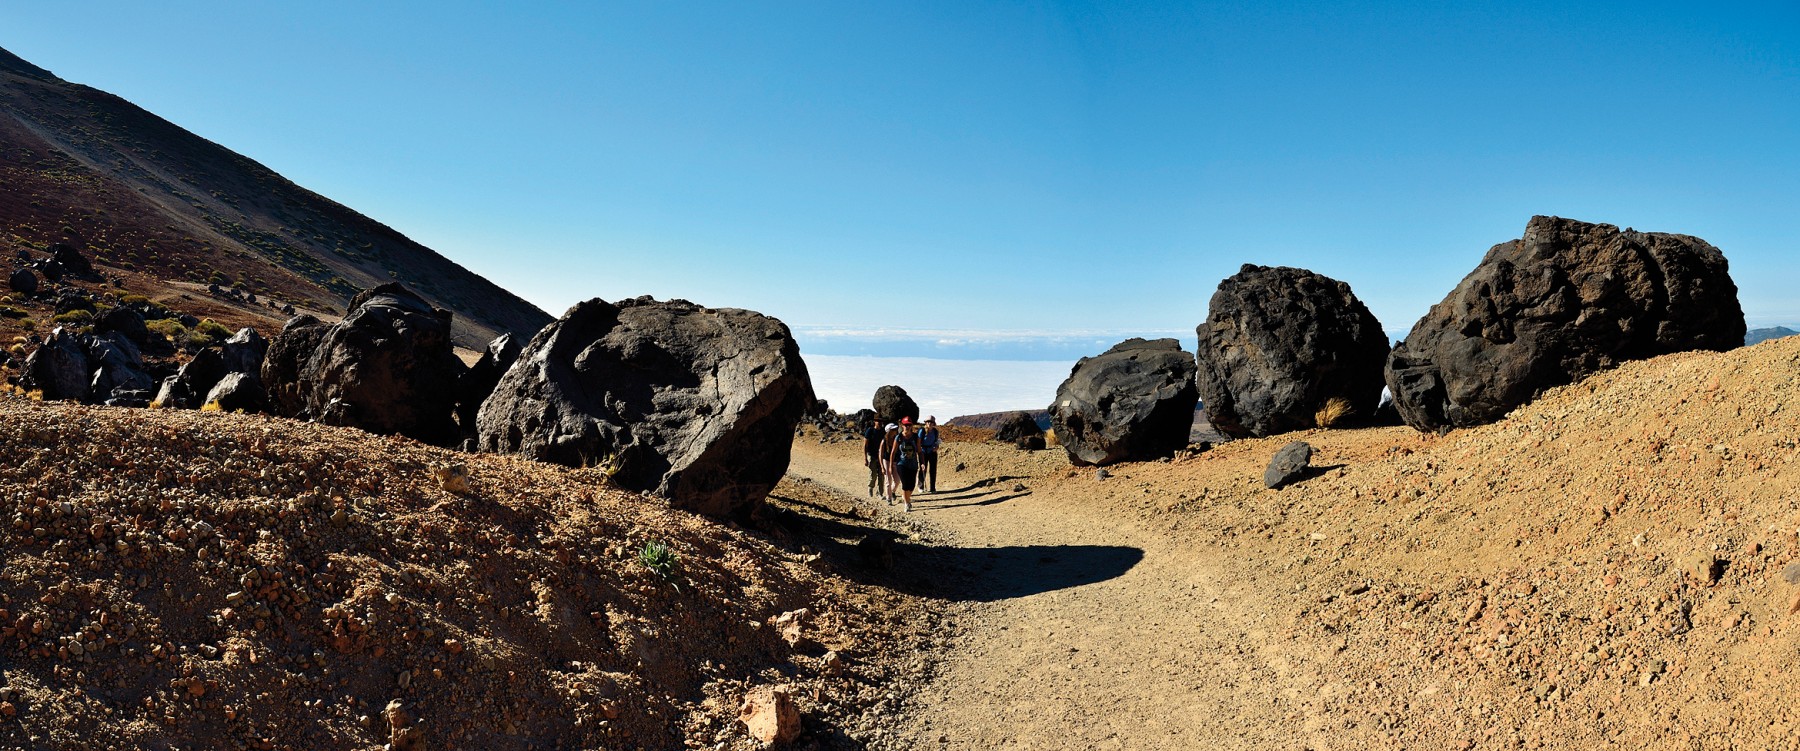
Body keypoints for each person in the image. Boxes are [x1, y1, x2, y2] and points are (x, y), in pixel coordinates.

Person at [889, 417, 923, 512]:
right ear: (902, 425)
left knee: (911, 486)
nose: (907, 427)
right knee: (905, 483)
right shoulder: (899, 437)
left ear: (911, 425)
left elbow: (919, 451)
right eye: (905, 425)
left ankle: (906, 498)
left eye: (909, 425)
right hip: (901, 464)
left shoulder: (916, 437)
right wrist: (891, 465)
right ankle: (907, 503)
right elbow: (893, 452)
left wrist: (922, 463)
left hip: (913, 464)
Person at [861, 416, 885, 497]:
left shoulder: (883, 431)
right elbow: (865, 445)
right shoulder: (870, 431)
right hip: (872, 455)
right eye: (878, 421)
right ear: (874, 421)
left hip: (881, 456)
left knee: (881, 475)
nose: (880, 423)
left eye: (881, 421)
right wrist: (865, 458)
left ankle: (880, 493)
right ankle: (870, 488)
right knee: (873, 474)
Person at [917, 416, 942, 493]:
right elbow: (918, 442)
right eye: (928, 422)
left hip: (932, 452)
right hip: (923, 452)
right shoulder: (922, 431)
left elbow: (937, 441)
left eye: (931, 422)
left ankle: (932, 488)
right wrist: (919, 451)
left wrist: (936, 447)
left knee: (933, 470)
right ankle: (921, 486)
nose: (929, 423)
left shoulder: (935, 431)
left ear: (933, 423)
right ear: (925, 423)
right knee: (923, 469)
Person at [880, 422, 899, 503]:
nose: (896, 430)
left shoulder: (896, 439)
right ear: (889, 431)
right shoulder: (884, 441)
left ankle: (892, 492)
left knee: (897, 480)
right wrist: (882, 467)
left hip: (895, 461)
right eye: (894, 429)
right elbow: (880, 454)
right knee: (888, 480)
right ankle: (888, 498)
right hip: (886, 461)